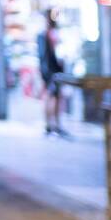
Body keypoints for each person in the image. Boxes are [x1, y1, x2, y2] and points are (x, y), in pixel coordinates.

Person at [39, 9, 69, 137]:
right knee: (52, 97)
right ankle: (52, 125)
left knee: (54, 96)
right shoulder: (49, 34)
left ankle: (52, 125)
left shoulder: (47, 34)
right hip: (52, 70)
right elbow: (53, 55)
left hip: (51, 70)